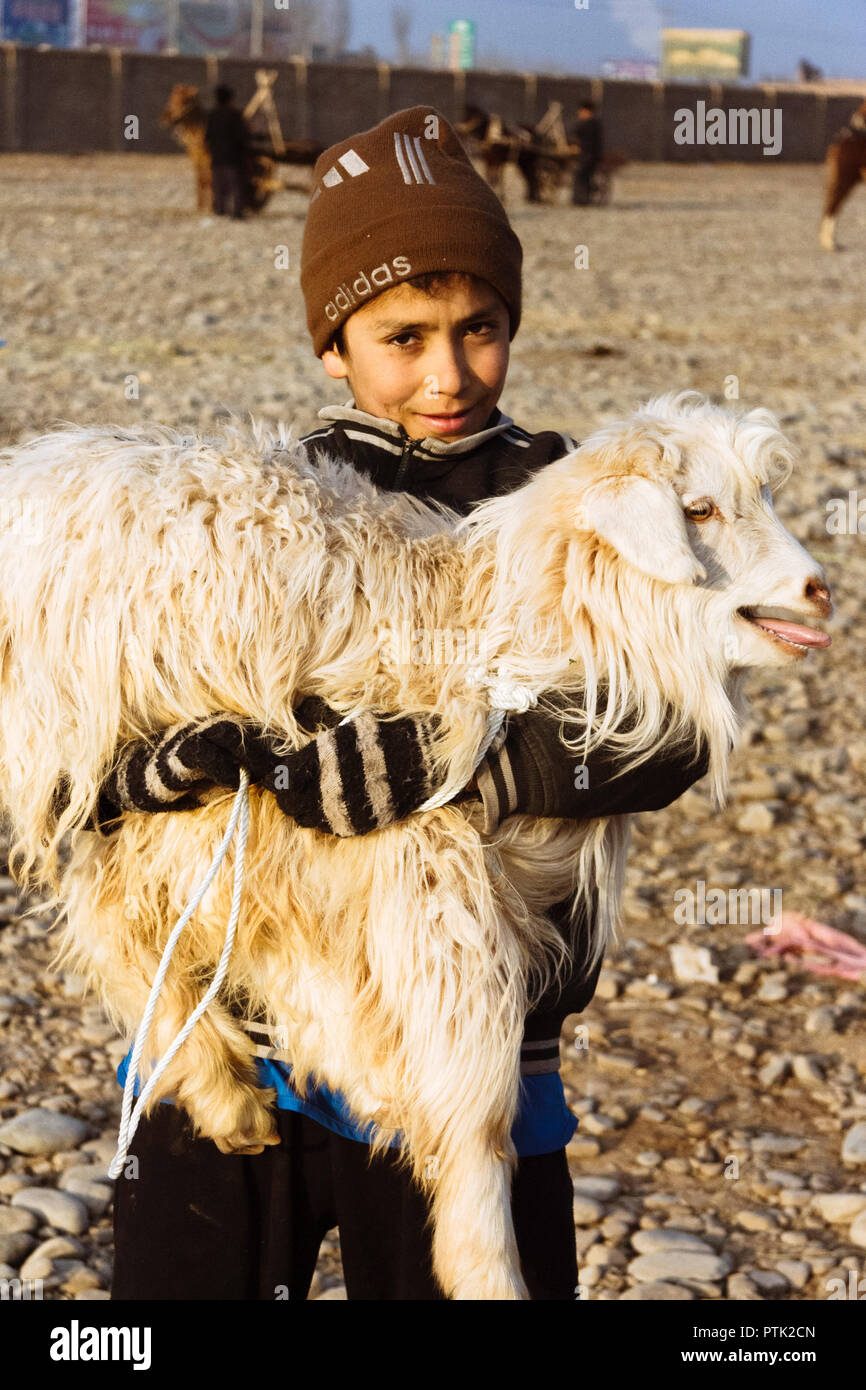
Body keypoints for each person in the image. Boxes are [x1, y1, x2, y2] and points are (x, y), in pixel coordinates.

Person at [109, 106, 709, 1302]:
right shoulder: (253, 511)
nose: (446, 374)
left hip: (476, 1041)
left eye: (478, 328)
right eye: (401, 337)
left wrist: (465, 761)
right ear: (332, 345)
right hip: (239, 1025)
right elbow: (121, 718)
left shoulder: (577, 500)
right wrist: (160, 767)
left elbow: (669, 730)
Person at [204, 84, 249, 220]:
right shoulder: (235, 115)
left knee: (218, 186)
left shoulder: (212, 115)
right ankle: (237, 212)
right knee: (235, 185)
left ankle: (219, 210)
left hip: (217, 157)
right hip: (232, 158)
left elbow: (207, 137)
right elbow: (242, 136)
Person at [571, 100, 604, 207]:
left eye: (582, 111)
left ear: (588, 112)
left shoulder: (592, 124)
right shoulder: (584, 123)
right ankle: (579, 199)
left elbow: (591, 142)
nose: (580, 113)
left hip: (589, 156)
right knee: (580, 176)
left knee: (581, 176)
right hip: (584, 155)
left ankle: (582, 200)